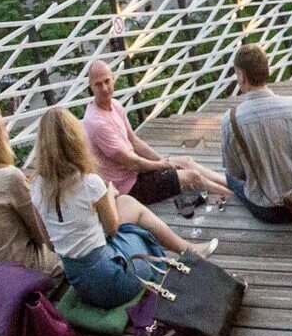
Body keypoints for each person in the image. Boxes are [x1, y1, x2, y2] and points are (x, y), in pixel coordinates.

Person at [33, 107, 211, 308]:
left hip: (82, 284)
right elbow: (112, 228)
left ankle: (188, 250)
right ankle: (188, 250)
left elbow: (50, 244)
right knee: (133, 211)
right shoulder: (89, 183)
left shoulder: (37, 189)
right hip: (114, 281)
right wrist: (109, 193)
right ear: (75, 140)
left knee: (126, 203)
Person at [81, 60, 229, 206]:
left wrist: (164, 161)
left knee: (186, 162)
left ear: (113, 79)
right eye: (98, 84)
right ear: (91, 87)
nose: (105, 88)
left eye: (107, 81)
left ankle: (232, 184)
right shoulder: (96, 122)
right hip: (127, 188)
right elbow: (133, 163)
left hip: (136, 173)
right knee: (192, 177)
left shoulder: (115, 105)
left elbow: (133, 140)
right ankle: (233, 196)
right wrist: (162, 165)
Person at [221, 44, 292, 223]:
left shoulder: (230, 121)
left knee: (228, 176)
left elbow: (237, 173)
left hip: (266, 210)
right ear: (266, 70)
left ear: (241, 76)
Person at [0, 107, 61, 278]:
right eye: (3, 128)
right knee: (71, 244)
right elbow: (40, 234)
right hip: (22, 265)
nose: (7, 133)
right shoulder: (10, 177)